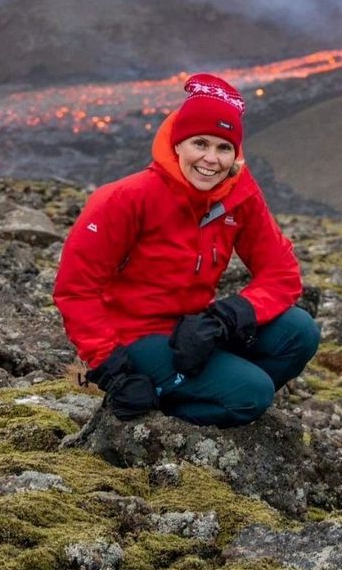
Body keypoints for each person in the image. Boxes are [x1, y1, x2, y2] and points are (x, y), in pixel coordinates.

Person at [53, 73, 319, 425]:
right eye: (200, 144)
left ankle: (217, 391)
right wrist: (113, 370)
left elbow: (281, 272)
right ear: (177, 144)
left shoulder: (238, 196)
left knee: (299, 331)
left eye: (224, 148)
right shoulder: (125, 199)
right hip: (136, 336)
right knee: (251, 393)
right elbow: (75, 290)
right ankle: (163, 405)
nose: (211, 159)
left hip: (194, 328)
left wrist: (224, 319)